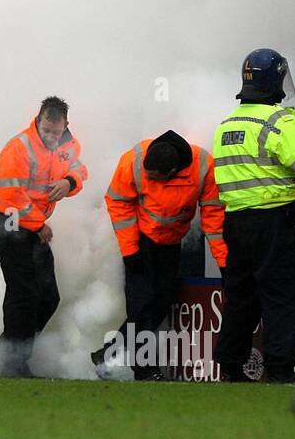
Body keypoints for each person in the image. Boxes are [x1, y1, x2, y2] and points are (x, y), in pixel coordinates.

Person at [211, 48, 295, 383]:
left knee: (240, 296)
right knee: (283, 297)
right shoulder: (278, 121)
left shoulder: (227, 125)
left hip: (235, 222)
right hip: (271, 221)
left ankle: (230, 365)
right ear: (275, 80)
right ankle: (280, 368)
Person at [94, 129, 227, 380]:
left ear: (171, 173)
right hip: (141, 241)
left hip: (171, 243)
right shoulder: (133, 161)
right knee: (142, 304)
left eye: (154, 177)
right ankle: (145, 370)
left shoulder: (203, 166)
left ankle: (110, 351)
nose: (149, 179)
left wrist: (223, 261)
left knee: (162, 301)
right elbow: (118, 202)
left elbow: (213, 217)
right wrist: (131, 251)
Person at [0, 96, 88, 378]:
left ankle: (5, 351)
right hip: (9, 226)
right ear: (38, 120)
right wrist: (38, 225)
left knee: (48, 297)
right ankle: (13, 363)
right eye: (46, 131)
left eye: (56, 132)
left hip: (33, 227)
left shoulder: (68, 144)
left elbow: (80, 170)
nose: (50, 137)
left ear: (65, 125)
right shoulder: (17, 148)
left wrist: (69, 182)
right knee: (24, 295)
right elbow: (10, 197)